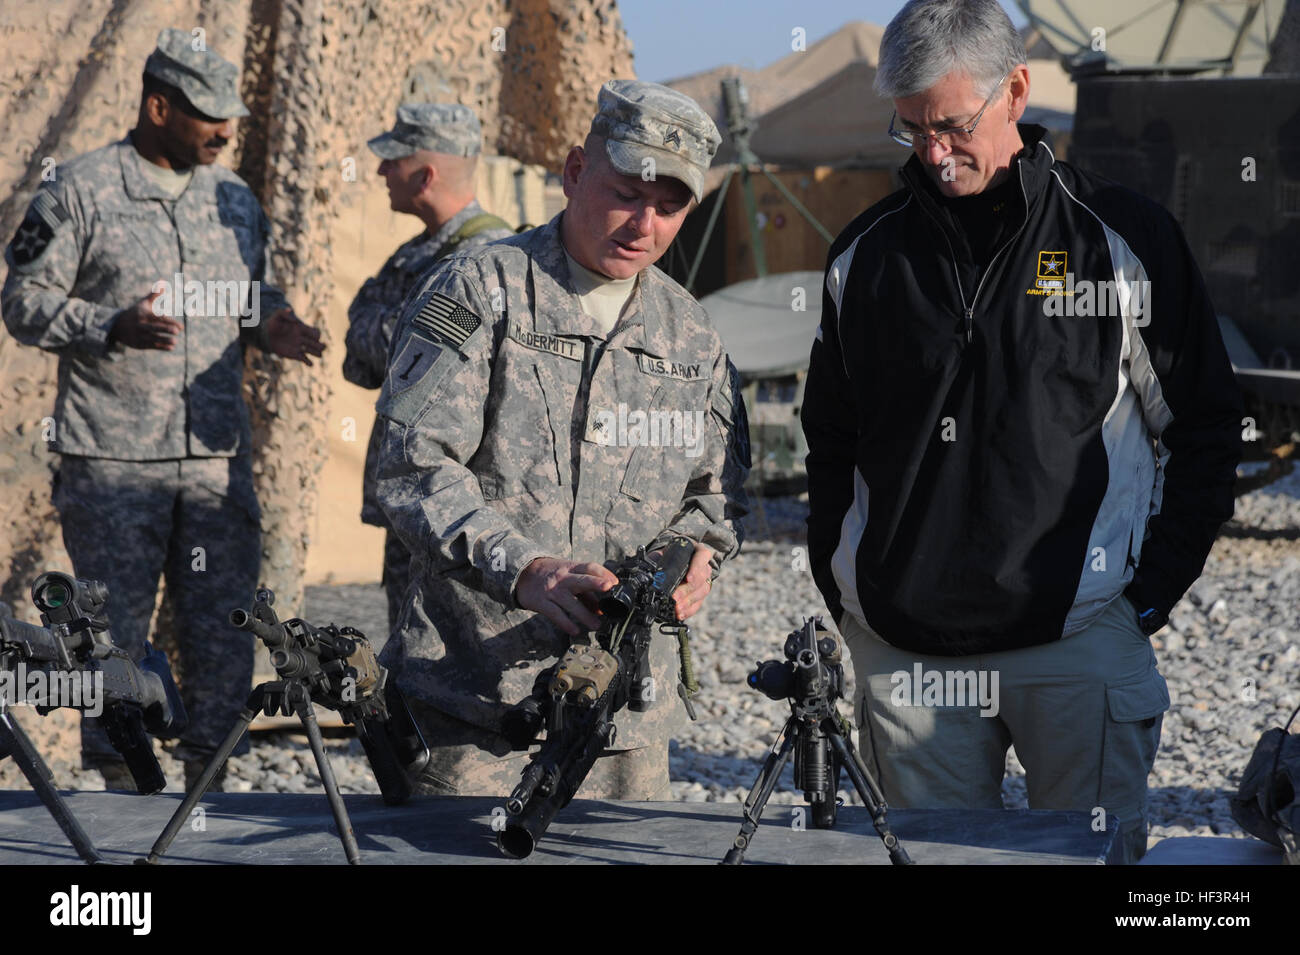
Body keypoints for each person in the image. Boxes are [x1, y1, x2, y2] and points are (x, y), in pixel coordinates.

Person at [801, 0, 1242, 864]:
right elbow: (830, 441)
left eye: (953, 126)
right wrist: (850, 593)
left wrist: (1148, 594)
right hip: (908, 658)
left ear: (1015, 91)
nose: (934, 153)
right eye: (912, 129)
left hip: (1077, 642)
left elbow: (1206, 425)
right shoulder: (863, 256)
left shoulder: (1121, 238)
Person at [374, 79, 750, 798]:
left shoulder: (693, 334)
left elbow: (712, 497)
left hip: (623, 719)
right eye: (626, 193)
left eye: (670, 208)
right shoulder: (479, 289)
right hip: (475, 708)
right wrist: (523, 569)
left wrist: (696, 557)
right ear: (576, 171)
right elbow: (412, 464)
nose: (644, 224)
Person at [2, 28, 323, 789]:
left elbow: (251, 296)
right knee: (109, 636)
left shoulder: (234, 199)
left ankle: (211, 793)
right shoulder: (77, 190)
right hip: (112, 461)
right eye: (210, 116)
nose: (225, 132)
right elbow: (21, 302)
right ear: (158, 107)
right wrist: (108, 324)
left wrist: (273, 324)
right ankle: (122, 793)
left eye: (230, 118)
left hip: (214, 461)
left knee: (224, 629)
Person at [343, 103, 513, 632]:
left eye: (392, 160)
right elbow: (362, 360)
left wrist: (379, 324)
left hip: (458, 508)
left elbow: (405, 353)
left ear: (425, 176)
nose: (380, 171)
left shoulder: (485, 259)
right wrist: (385, 327)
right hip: (414, 503)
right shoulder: (416, 254)